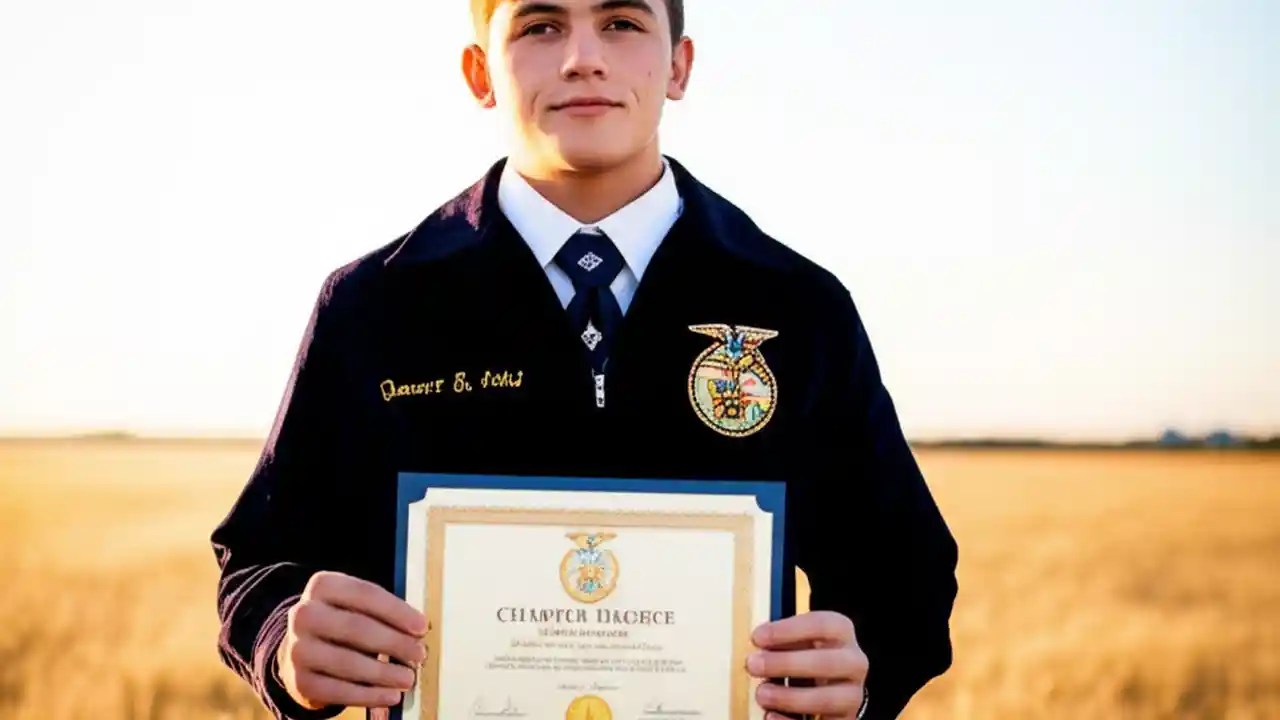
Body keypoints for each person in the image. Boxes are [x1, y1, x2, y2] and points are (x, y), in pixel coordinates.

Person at [209, 1, 959, 719]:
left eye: (622, 22)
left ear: (678, 64)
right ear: (480, 73)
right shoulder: (373, 304)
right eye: (540, 25)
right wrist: (284, 643)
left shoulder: (799, 307)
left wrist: (864, 675)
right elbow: (259, 560)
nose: (582, 59)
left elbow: (906, 573)